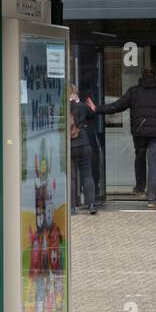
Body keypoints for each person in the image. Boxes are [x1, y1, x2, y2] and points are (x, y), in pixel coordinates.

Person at [99, 70, 156, 209]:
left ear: (141, 78)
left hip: (140, 132)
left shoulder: (134, 91)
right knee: (154, 164)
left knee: (140, 156)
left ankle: (140, 188)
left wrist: (97, 109)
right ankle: (151, 199)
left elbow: (117, 106)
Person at [69, 83, 97, 215]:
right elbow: (92, 114)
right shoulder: (82, 106)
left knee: (72, 176)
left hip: (70, 145)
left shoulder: (63, 108)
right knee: (87, 174)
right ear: (75, 92)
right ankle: (91, 204)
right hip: (84, 144)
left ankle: (72, 207)